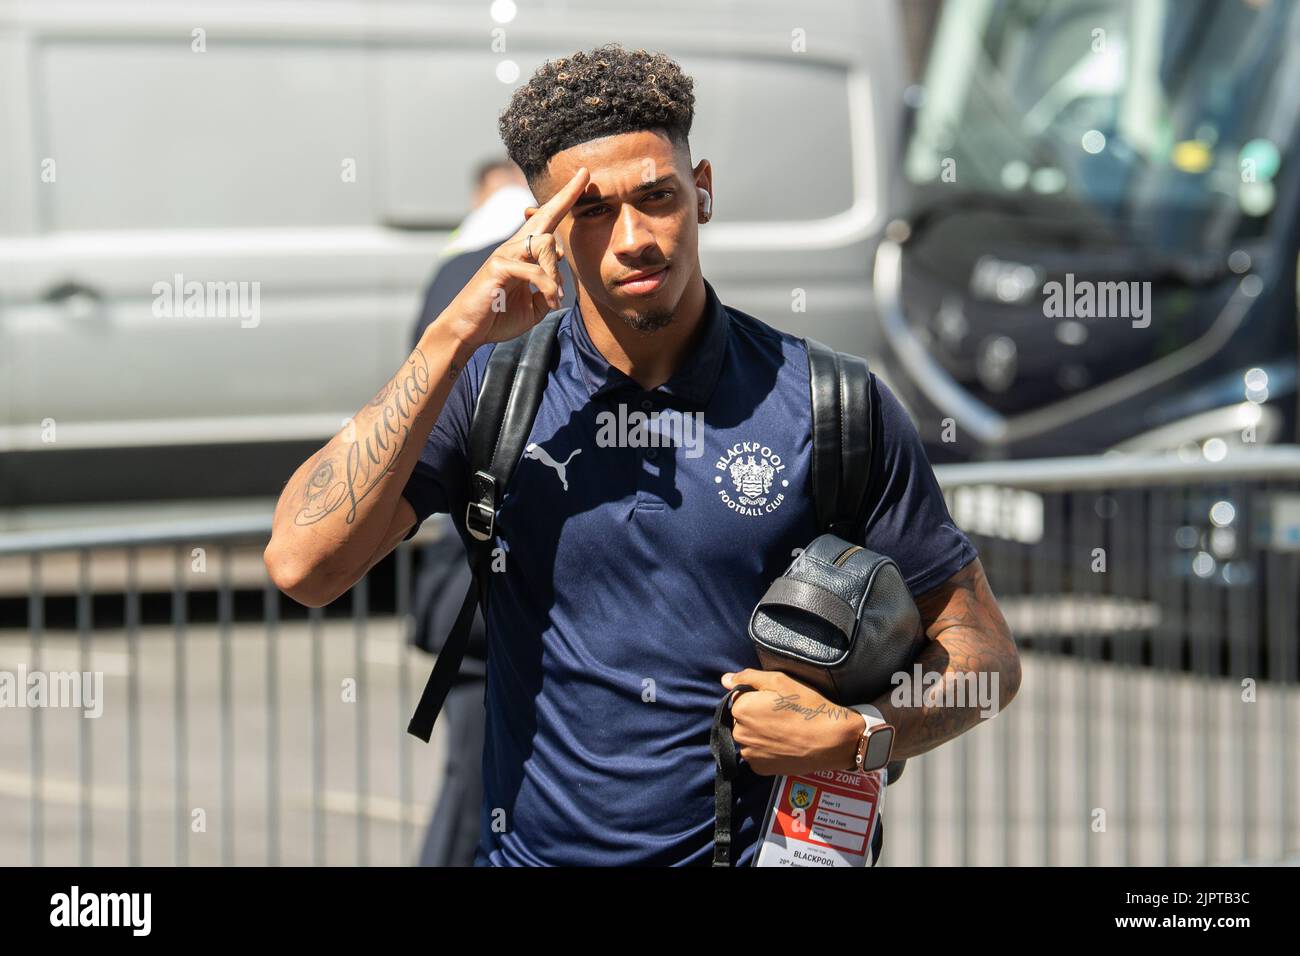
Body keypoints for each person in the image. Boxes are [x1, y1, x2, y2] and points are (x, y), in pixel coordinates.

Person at [264, 43, 1021, 867]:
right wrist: (453, 334)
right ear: (539, 226)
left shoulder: (831, 402)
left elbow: (985, 654)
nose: (634, 239)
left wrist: (862, 735)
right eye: (591, 211)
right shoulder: (493, 389)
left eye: (657, 197)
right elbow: (306, 567)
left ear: (701, 193)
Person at [409, 159, 573, 866]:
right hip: (495, 591)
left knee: (480, 794)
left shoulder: (456, 263)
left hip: (480, 574)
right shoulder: (505, 273)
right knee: (476, 798)